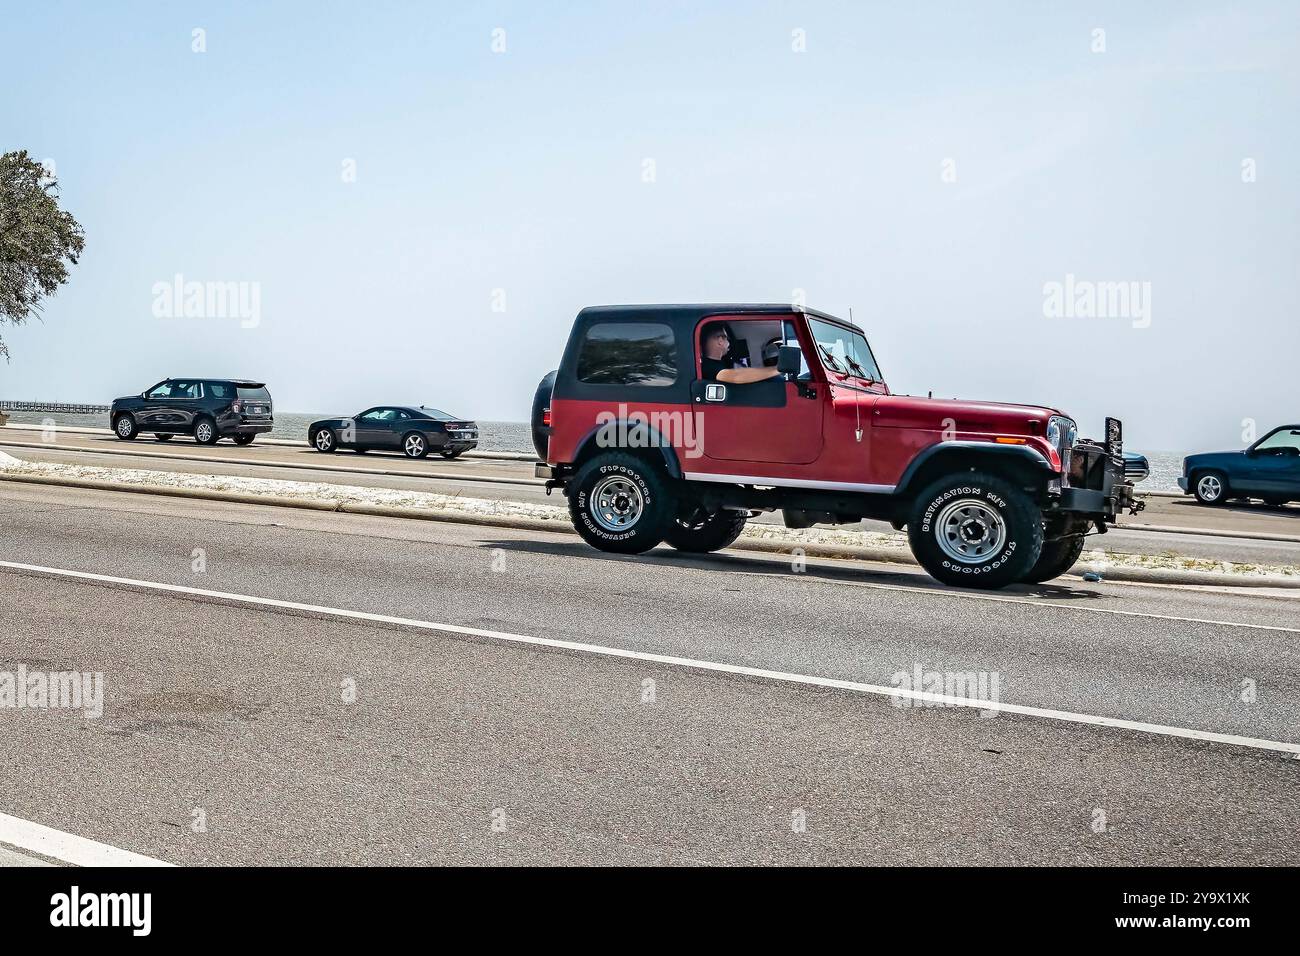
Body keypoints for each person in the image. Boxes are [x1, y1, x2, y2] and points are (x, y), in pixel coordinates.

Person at [700, 323, 782, 384]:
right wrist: (777, 370)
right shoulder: (707, 367)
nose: (729, 343)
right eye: (727, 339)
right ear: (720, 341)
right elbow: (736, 376)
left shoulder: (724, 362)